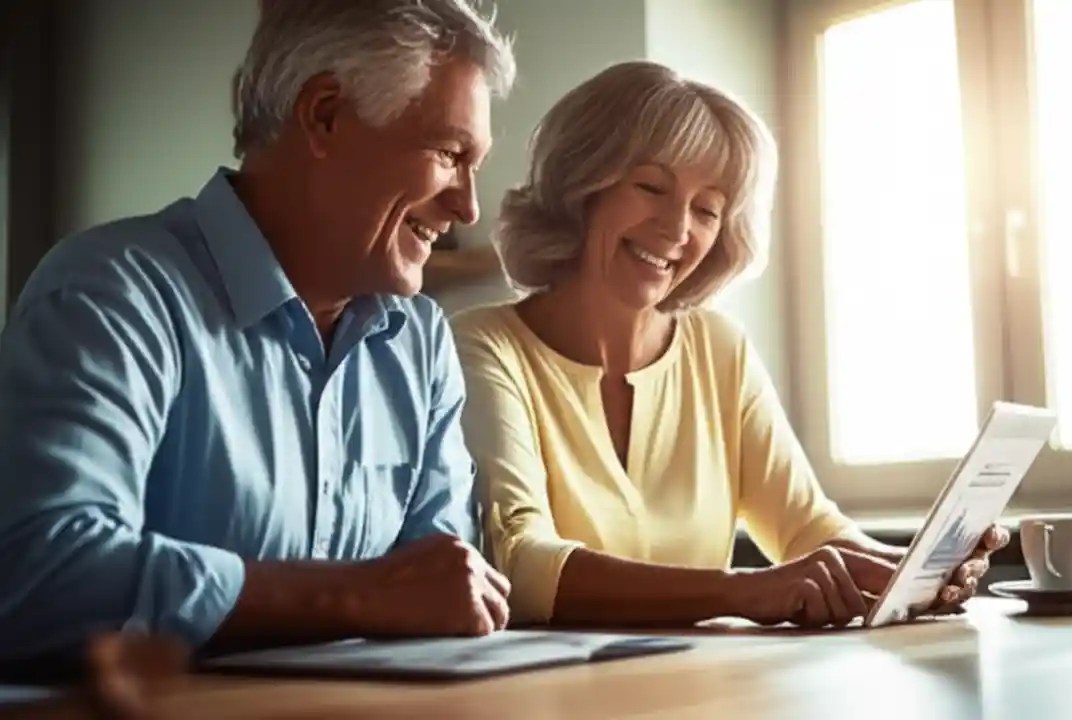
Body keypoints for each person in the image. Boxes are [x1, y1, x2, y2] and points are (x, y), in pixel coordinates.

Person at [0, 0, 516, 667]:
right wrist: (356, 597)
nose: (468, 205)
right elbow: (42, 572)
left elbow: (443, 593)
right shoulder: (112, 290)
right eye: (450, 154)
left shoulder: (421, 343)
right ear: (324, 115)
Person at [453, 61, 1008, 629]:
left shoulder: (719, 347)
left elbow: (805, 527)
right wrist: (740, 591)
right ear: (580, 187)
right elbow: (520, 566)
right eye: (650, 186)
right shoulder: (485, 346)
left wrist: (911, 571)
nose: (677, 229)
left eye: (707, 209)